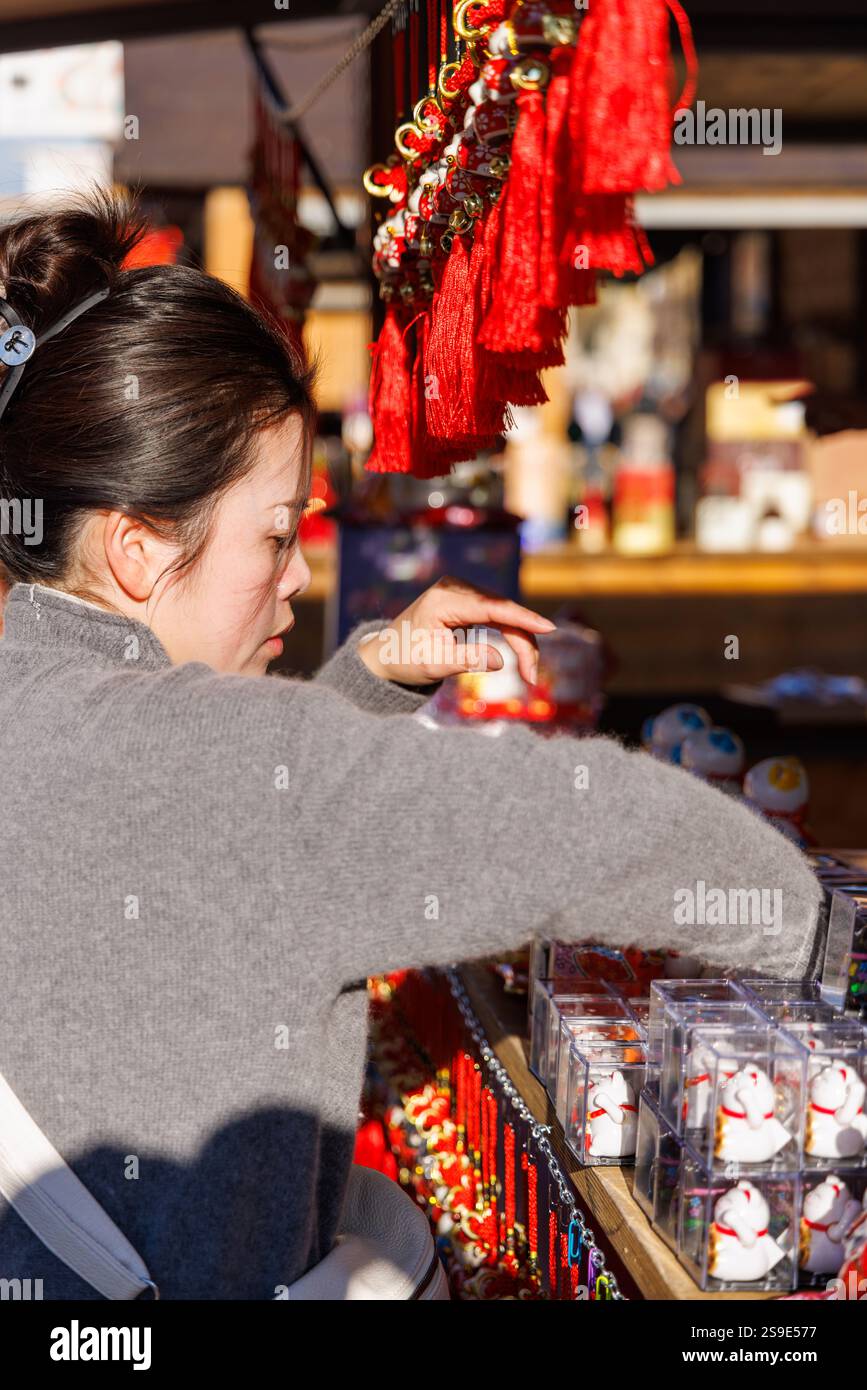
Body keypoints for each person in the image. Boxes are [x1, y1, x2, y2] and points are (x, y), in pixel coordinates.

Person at [0, 189, 823, 1299]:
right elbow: (582, 830)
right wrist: (814, 929)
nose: (298, 575)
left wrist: (369, 678)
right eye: (277, 535)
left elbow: (228, 842)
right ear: (140, 550)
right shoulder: (200, 763)